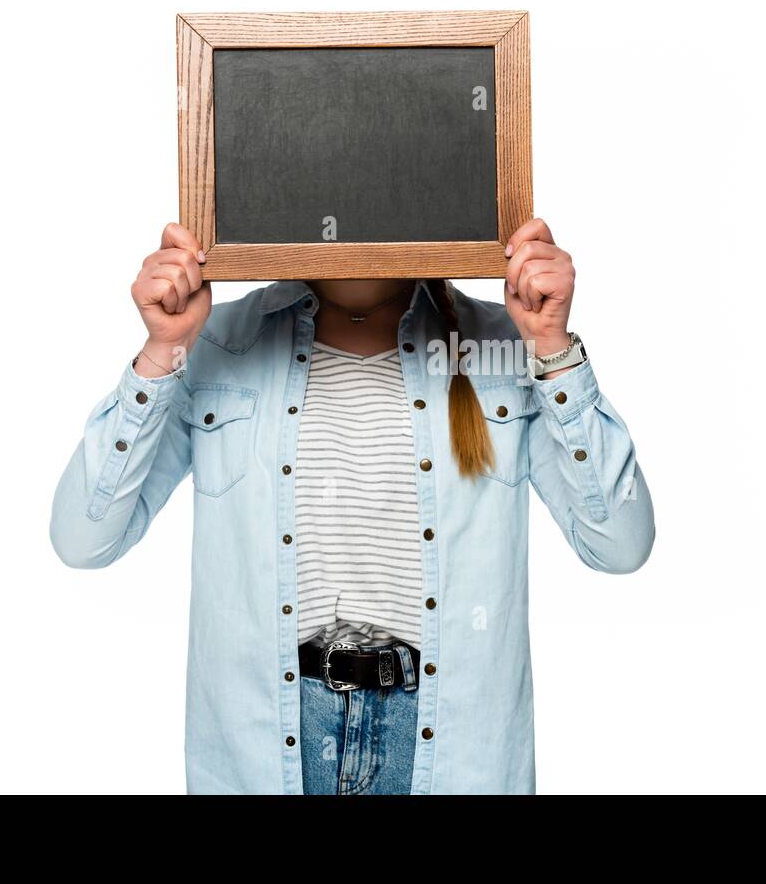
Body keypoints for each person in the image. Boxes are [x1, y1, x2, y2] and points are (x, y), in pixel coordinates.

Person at [49, 217, 655, 794]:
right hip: (268, 745)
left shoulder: (501, 346)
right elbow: (84, 538)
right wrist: (161, 352)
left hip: (448, 748)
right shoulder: (213, 344)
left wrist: (552, 349)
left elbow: (621, 545)